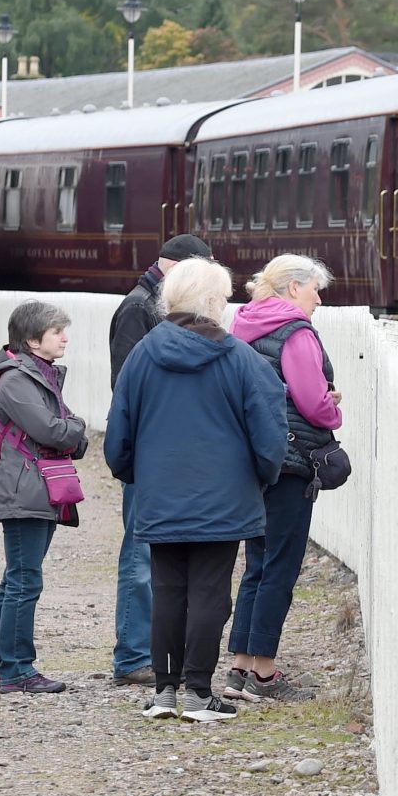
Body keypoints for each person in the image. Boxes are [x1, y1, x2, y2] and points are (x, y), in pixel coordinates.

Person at [105, 257, 287, 723]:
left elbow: (119, 433)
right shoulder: (241, 359)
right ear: (209, 302)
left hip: (161, 494)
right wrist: (262, 477)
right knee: (210, 593)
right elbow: (270, 434)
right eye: (223, 298)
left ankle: (165, 692)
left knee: (168, 591)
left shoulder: (142, 355)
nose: (226, 306)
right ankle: (199, 693)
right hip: (223, 498)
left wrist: (136, 475)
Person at [225, 255, 343, 702]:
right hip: (292, 460)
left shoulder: (243, 325)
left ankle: (240, 666)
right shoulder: (296, 332)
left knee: (257, 561)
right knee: (281, 564)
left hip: (253, 457)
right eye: (315, 289)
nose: (318, 299)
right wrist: (333, 407)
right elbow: (313, 402)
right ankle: (264, 673)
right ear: (293, 288)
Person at [107, 233, 217, 688]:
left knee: (153, 552)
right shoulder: (139, 308)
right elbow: (127, 387)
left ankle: (147, 651)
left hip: (154, 448)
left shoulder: (146, 304)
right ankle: (132, 654)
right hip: (149, 451)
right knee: (140, 552)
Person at [0, 300, 89, 695]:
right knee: (25, 581)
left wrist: (70, 429)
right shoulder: (17, 381)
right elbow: (53, 431)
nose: (65, 338)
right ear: (32, 340)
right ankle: (17, 670)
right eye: (57, 331)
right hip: (25, 488)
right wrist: (75, 426)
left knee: (17, 578)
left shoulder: (39, 376)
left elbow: (67, 434)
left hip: (36, 486)